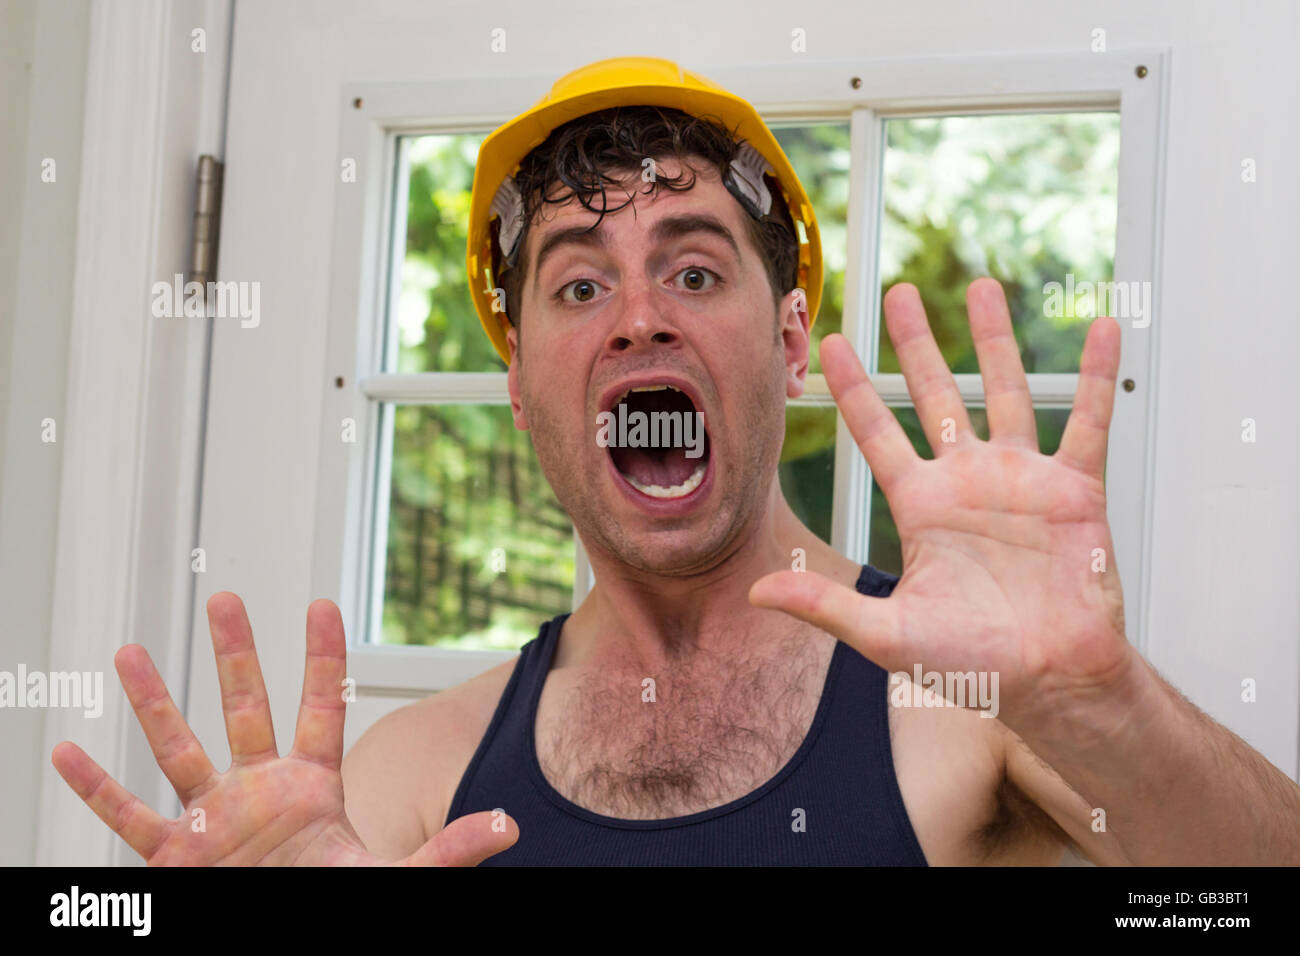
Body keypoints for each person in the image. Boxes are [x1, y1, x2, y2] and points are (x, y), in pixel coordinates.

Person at [52, 57, 1300, 866]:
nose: (639, 316)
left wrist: (1101, 701)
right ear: (522, 380)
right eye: (579, 283)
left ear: (791, 339)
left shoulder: (964, 707)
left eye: (694, 270)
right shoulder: (414, 778)